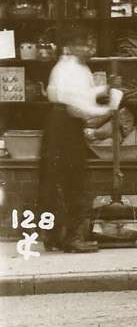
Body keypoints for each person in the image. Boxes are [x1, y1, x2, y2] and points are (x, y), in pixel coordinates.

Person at [39, 28, 119, 253]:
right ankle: (71, 238)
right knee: (72, 181)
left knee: (56, 179)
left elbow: (85, 94)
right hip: (65, 125)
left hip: (62, 124)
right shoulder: (70, 69)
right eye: (85, 44)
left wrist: (105, 88)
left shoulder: (77, 67)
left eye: (91, 43)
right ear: (72, 47)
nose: (90, 48)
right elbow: (81, 106)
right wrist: (109, 108)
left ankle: (54, 236)